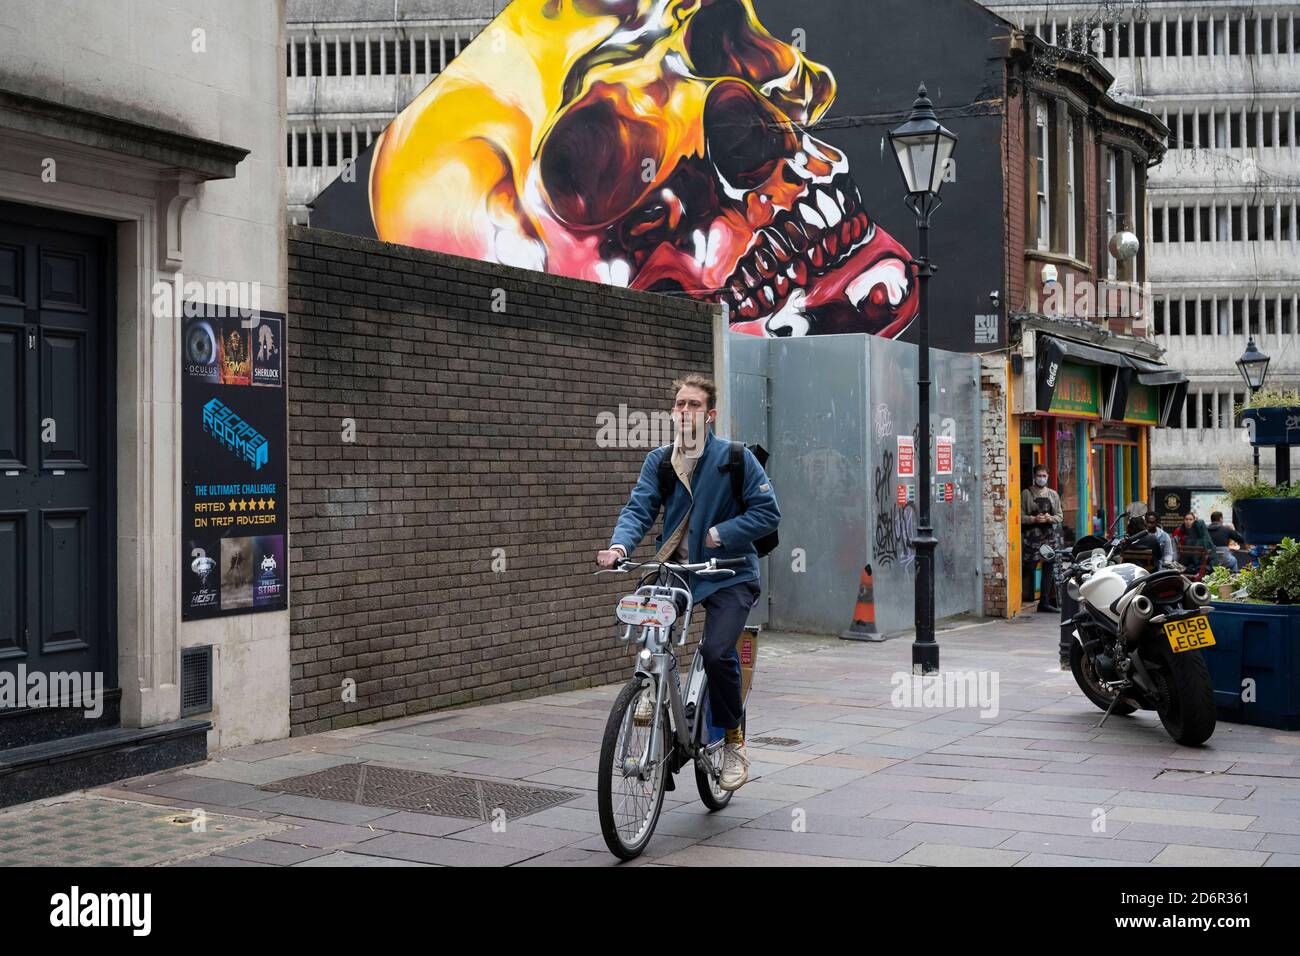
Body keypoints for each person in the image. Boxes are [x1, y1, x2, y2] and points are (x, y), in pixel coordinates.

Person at [597, 374, 780, 792]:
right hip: (677, 572)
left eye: (693, 405)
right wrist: (620, 547)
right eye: (679, 404)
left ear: (709, 414)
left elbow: (768, 514)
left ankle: (733, 740)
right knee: (647, 620)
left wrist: (724, 533)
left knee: (718, 653)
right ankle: (652, 686)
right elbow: (639, 507)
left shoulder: (735, 458)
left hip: (728, 573)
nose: (684, 411)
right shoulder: (661, 461)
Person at [1022, 463, 1063, 612]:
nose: (1041, 478)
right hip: (1031, 537)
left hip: (1048, 536)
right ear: (1034, 476)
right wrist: (1032, 519)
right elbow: (1019, 516)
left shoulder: (1053, 494)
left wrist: (1049, 518)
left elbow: (1060, 516)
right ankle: (1020, 597)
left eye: (1044, 476)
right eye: (1039, 475)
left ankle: (1044, 602)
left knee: (1049, 567)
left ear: (1048, 477)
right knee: (1028, 566)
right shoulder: (1026, 494)